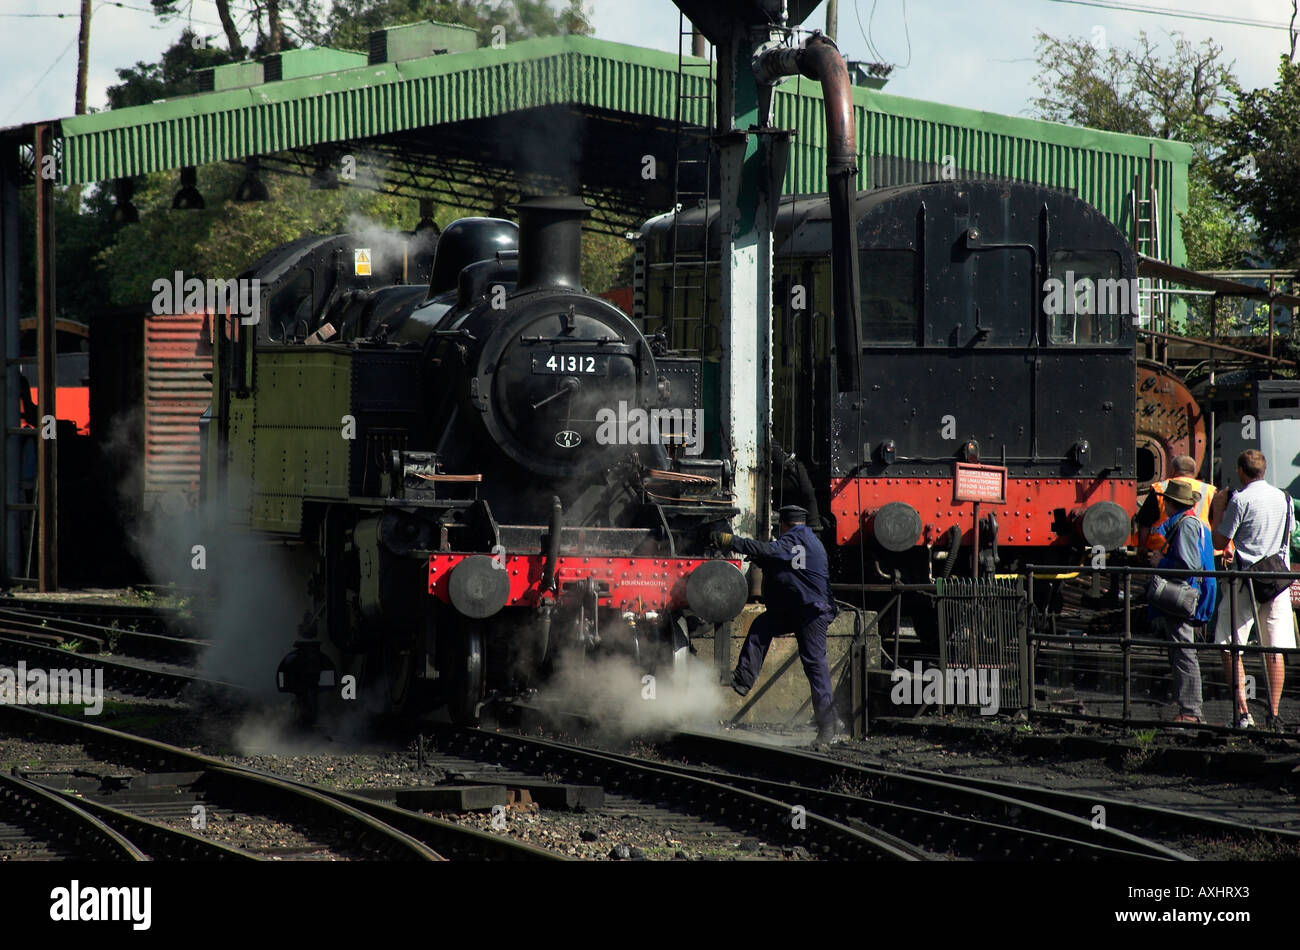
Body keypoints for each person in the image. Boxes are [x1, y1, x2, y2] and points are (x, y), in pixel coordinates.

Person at [712, 505, 841, 745]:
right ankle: (743, 678)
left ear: (784, 524)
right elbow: (789, 565)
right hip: (797, 610)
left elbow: (769, 549)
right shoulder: (809, 541)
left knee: (815, 666)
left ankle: (828, 725)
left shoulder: (795, 540)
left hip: (811, 614)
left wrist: (731, 541)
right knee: (764, 625)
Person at [1211, 450, 1295, 731]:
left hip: (1244, 581)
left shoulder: (1240, 499)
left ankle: (1244, 714)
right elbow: (1289, 532)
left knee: (1231, 645)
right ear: (1264, 470)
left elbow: (1221, 539)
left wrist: (1219, 509)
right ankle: (1273, 712)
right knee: (1274, 648)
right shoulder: (1284, 498)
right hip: (1276, 581)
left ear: (1241, 471)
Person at [1145, 479, 1216, 724]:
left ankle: (1191, 712)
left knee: (1184, 652)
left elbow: (1189, 566)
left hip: (1181, 595)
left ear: (1168, 503)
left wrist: (1160, 563)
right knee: (1183, 651)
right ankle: (1188, 708)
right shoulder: (1195, 523)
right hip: (1191, 594)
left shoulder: (1185, 526)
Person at [1135, 454, 1215, 553]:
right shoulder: (1209, 490)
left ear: (1173, 470)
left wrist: (1141, 547)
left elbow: (1145, 522)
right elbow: (1218, 522)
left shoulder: (1160, 488)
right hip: (1202, 549)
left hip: (1164, 549)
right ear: (1195, 471)